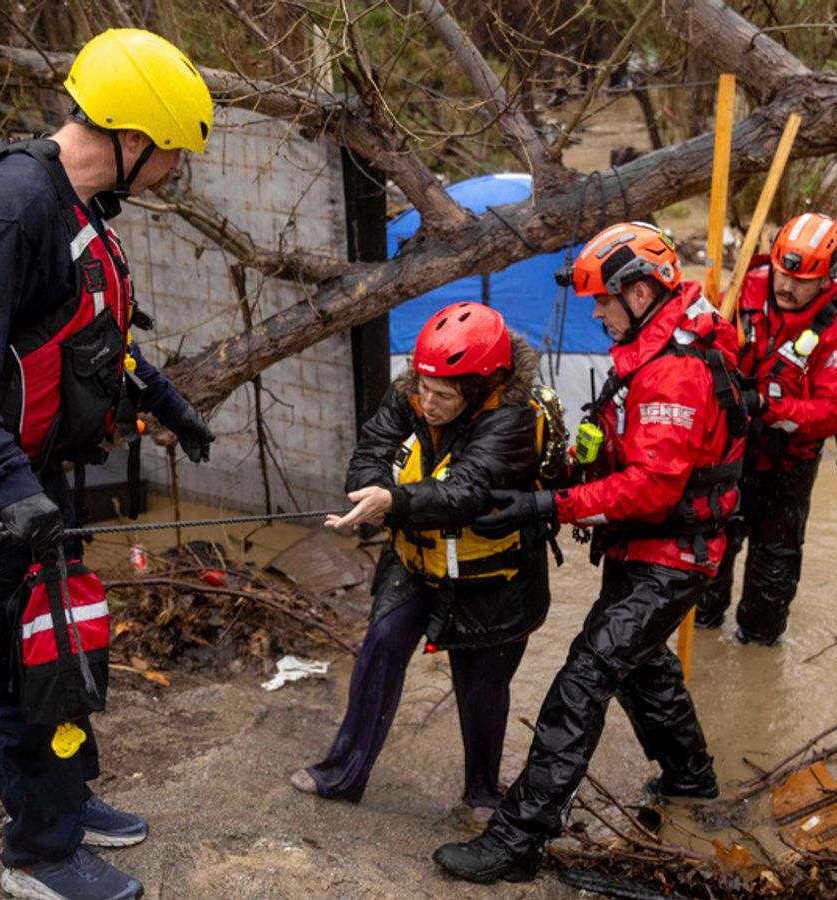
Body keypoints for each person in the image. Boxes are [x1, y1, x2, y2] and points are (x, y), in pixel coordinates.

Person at [0, 28, 217, 900]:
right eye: (173, 157)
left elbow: (87, 334)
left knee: (57, 642)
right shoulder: (16, 204)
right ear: (133, 138)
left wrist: (167, 404)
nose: (173, 175)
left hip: (27, 474)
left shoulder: (72, 205)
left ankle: (67, 797)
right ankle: (39, 854)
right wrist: (5, 484)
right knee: (12, 667)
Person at [432, 222, 745, 884]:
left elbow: (654, 487)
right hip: (651, 547)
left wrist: (548, 506)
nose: (597, 314)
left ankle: (519, 837)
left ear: (639, 292)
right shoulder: (656, 350)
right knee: (642, 665)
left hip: (673, 555)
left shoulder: (675, 371)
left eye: (603, 301)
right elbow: (631, 458)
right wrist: (567, 466)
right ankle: (693, 780)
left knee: (586, 677)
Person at [293, 301, 554, 822]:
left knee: (482, 687)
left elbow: (467, 491)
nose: (426, 403)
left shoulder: (513, 421)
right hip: (416, 560)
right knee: (381, 647)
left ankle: (481, 791)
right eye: (423, 389)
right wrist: (367, 490)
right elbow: (373, 446)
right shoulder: (415, 387)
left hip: (492, 577)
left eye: (443, 396)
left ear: (478, 389)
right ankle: (343, 771)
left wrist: (392, 503)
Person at [693, 212, 837, 645]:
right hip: (729, 450)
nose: (786, 286)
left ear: (828, 281)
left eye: (801, 280)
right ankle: (702, 631)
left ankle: (758, 642)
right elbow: (705, 343)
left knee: (774, 565)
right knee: (709, 550)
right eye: (784, 274)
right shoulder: (744, 291)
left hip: (789, 463)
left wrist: (772, 406)